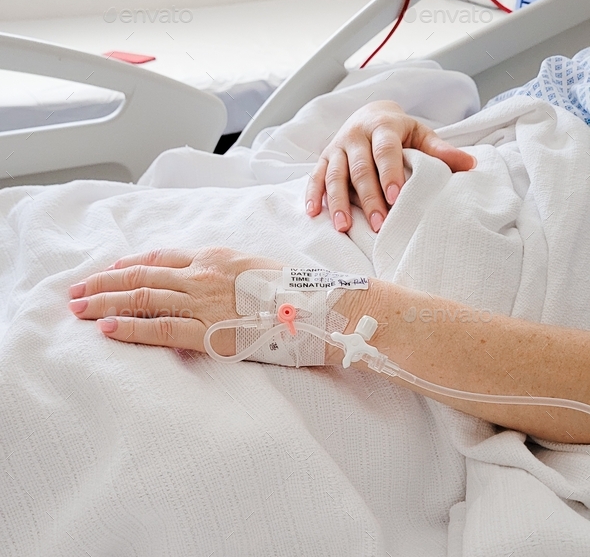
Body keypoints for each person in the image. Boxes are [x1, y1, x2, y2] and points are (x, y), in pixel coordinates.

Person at [67, 99, 590, 447]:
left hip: (417, 352)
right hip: (239, 227)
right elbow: (505, 136)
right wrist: (379, 123)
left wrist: (317, 311)